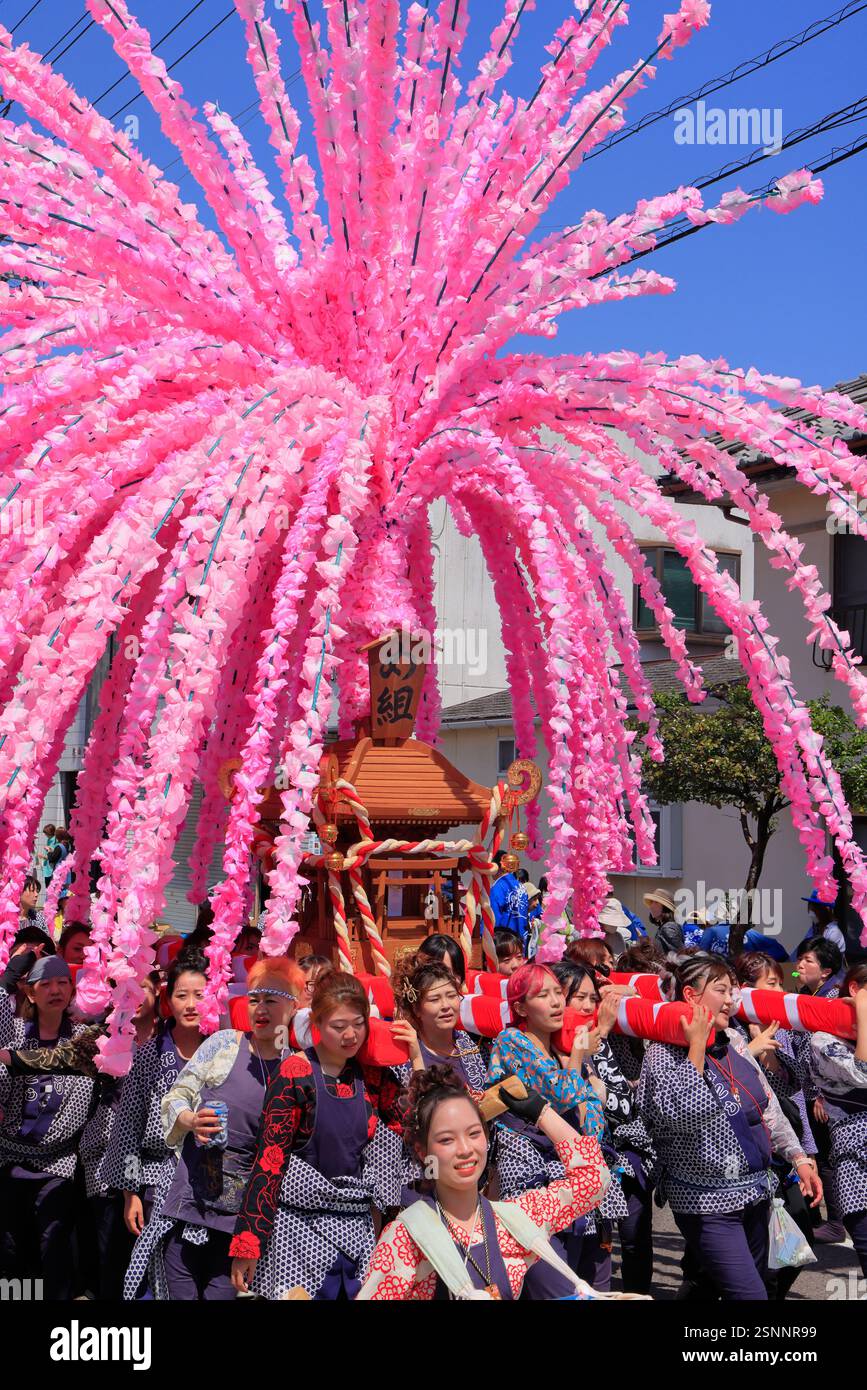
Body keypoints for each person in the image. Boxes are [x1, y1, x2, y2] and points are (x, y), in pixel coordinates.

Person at [636, 953, 820, 1301]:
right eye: (721, 990)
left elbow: (767, 1110)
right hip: (706, 1204)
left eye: (732, 990)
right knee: (749, 1295)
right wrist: (696, 1045)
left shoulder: (734, 1042)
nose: (731, 1000)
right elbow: (682, 1114)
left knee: (752, 1285)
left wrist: (798, 1157)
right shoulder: (661, 1054)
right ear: (691, 996)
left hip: (755, 1194)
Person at [356, 1064, 611, 1299]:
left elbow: (594, 1179)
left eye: (474, 1133)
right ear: (423, 1152)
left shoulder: (515, 1220)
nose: (465, 1149)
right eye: (446, 1140)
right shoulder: (406, 1238)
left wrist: (541, 1112)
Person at [229, 974, 404, 1300]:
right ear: (317, 1023)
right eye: (339, 1026)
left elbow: (413, 1125)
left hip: (358, 1234)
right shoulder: (295, 1073)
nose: (351, 1035)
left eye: (359, 1023)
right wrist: (248, 1243)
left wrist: (416, 1057)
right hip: (297, 1234)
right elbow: (269, 1163)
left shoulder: (372, 1076)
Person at [150, 956, 302, 1299]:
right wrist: (191, 1120)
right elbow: (176, 1096)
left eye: (272, 1000)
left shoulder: (296, 1068)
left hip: (241, 1217)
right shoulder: (222, 1044)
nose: (260, 1008)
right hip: (190, 1200)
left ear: (293, 1008)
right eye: (254, 999)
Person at [105, 954, 208, 1299]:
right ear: (168, 999)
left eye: (200, 994)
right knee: (164, 1273)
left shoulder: (227, 1049)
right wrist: (130, 1193)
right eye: (182, 995)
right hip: (158, 1179)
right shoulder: (151, 1053)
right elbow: (128, 1126)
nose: (191, 1005)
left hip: (212, 1183)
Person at [551, 960, 656, 1294]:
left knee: (599, 1271)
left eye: (591, 998)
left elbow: (622, 1103)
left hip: (602, 1172)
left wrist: (600, 1037)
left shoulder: (594, 1040)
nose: (587, 1006)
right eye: (577, 998)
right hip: (559, 1181)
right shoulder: (533, 1048)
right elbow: (569, 1103)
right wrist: (598, 1037)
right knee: (564, 1275)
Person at [0, 956, 94, 1299]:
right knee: (12, 1248)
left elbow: (80, 1084)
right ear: (30, 993)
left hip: (57, 1161)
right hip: (10, 1156)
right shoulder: (14, 1033)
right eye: (45, 984)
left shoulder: (86, 1037)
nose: (55, 990)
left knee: (53, 1246)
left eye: (63, 982)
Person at [732, 952, 818, 1298]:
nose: (779, 991)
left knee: (798, 1244)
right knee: (742, 1257)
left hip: (783, 1156)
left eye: (781, 984)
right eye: (771, 984)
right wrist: (750, 1050)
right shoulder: (729, 1032)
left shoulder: (778, 1030)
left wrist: (805, 1152)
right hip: (742, 1162)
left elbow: (793, 1089)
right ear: (745, 990)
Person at [808, 963, 867, 1276]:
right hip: (858, 1166)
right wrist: (863, 1013)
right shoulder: (822, 1040)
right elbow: (862, 1072)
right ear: (856, 990)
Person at [792, 937, 847, 1244]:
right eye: (800, 959)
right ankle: (820, 1217)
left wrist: (822, 1094)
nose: (800, 965)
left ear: (826, 971)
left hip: (826, 1093)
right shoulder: (806, 994)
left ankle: (837, 1222)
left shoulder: (832, 999)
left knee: (827, 1157)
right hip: (808, 1091)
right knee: (815, 1153)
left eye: (808, 961)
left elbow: (833, 1055)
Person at [490, 851, 529, 946]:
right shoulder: (521, 886)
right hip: (521, 939)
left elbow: (493, 918)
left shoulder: (497, 888)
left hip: (504, 943)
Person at [801, 888, 847, 956]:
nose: (811, 911)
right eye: (810, 906)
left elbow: (825, 959)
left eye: (815, 908)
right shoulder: (813, 929)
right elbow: (802, 950)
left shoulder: (833, 932)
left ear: (826, 910)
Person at [643, 890, 683, 956]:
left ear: (665, 907)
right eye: (651, 902)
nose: (651, 906)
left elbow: (678, 956)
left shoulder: (668, 928)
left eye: (656, 902)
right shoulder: (665, 926)